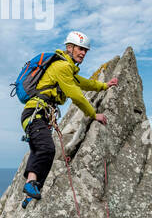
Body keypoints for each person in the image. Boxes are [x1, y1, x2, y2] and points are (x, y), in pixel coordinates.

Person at [20, 30, 118, 206]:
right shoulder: (62, 67)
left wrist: (105, 85)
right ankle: (30, 186)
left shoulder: (67, 69)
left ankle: (30, 192)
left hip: (38, 114)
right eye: (80, 49)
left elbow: (85, 83)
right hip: (36, 112)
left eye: (85, 50)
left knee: (39, 150)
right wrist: (93, 114)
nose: (83, 53)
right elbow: (77, 96)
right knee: (46, 149)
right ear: (70, 47)